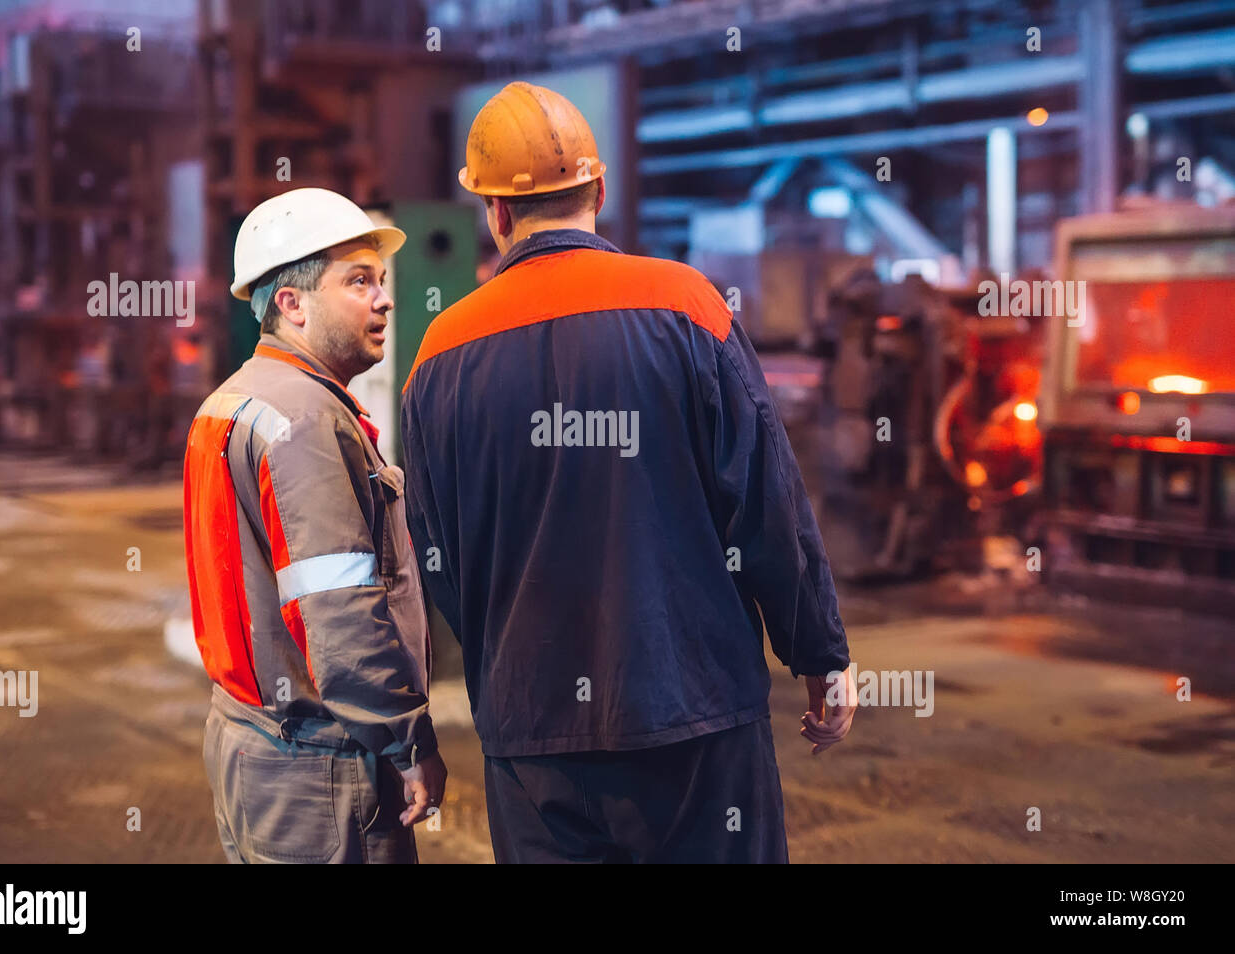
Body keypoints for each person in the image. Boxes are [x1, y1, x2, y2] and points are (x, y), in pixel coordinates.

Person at [400, 82, 856, 864]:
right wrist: (817, 651)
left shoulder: (439, 354)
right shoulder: (686, 305)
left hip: (532, 732)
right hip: (693, 712)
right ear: (601, 191)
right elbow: (765, 503)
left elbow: (436, 559)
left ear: (496, 214)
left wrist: (504, 660)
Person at [184, 187, 445, 863]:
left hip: (251, 744)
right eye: (359, 281)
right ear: (290, 304)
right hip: (319, 769)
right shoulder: (305, 420)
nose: (384, 299)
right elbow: (339, 610)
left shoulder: (233, 401)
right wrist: (406, 740)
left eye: (381, 281)